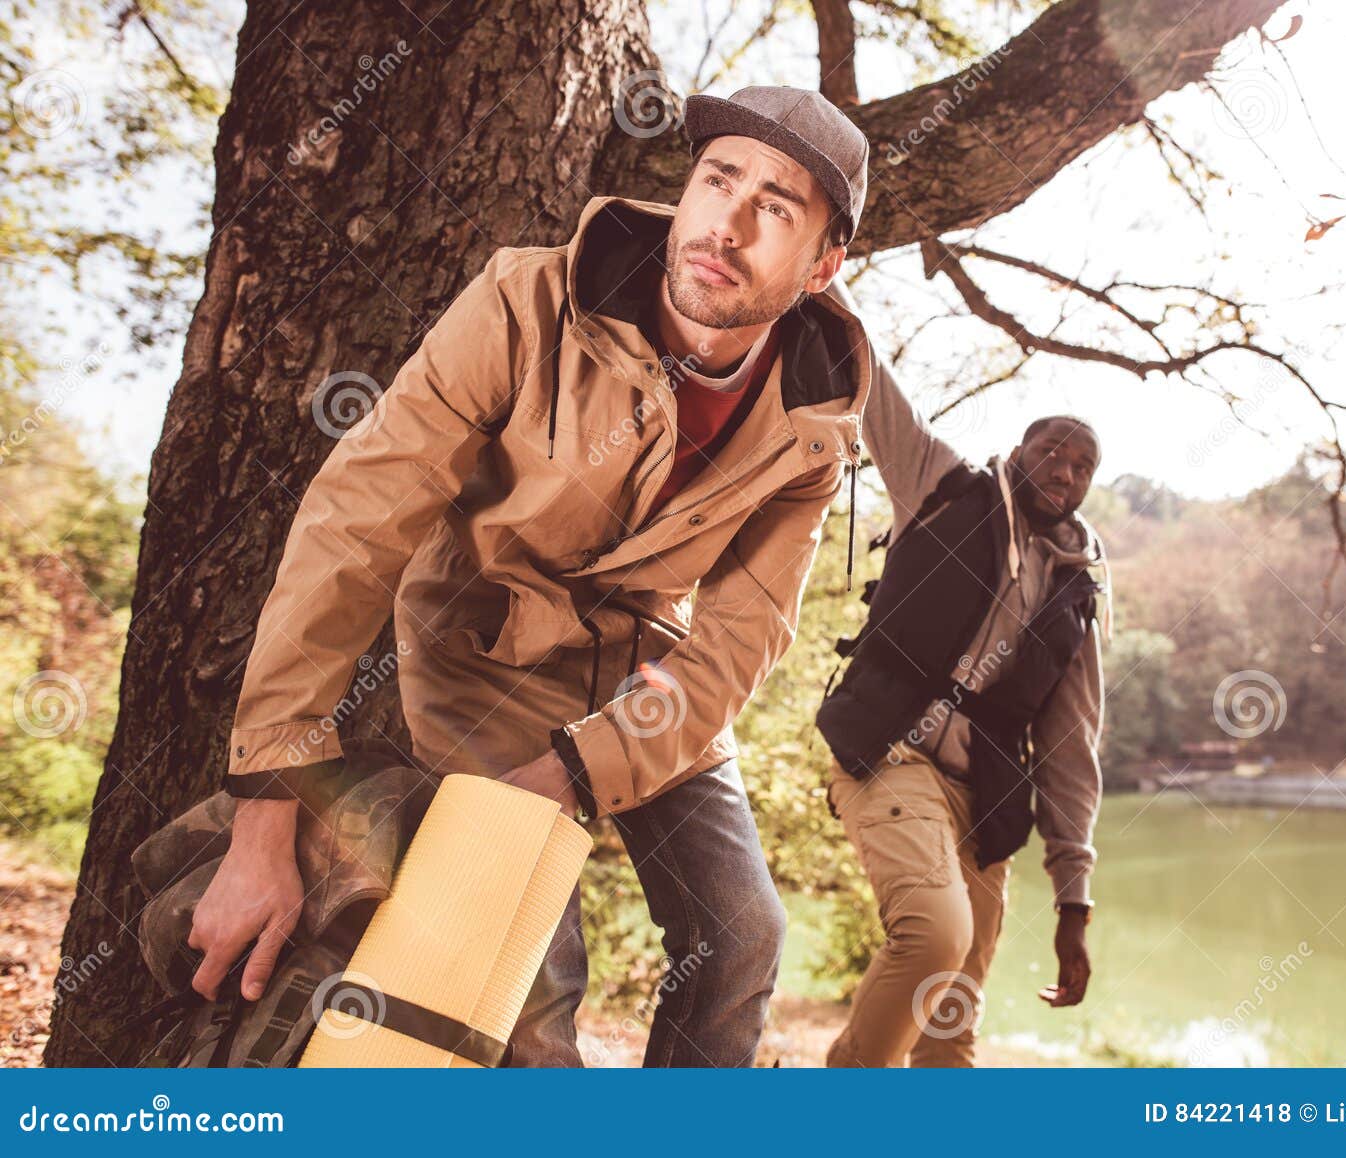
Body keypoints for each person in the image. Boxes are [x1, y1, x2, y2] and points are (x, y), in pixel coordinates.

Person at [188, 85, 873, 1068]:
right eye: (718, 180)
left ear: (822, 264)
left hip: (650, 677)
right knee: (531, 984)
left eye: (776, 208)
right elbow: (356, 527)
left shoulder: (815, 423)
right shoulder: (526, 300)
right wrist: (266, 804)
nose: (727, 225)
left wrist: (581, 768)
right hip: (482, 652)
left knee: (741, 936)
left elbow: (743, 636)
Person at [816, 282, 1112, 1066]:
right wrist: (823, 278)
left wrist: (1073, 901)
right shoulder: (943, 488)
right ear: (1019, 451)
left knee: (951, 1026)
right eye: (1051, 451)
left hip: (985, 800)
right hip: (891, 754)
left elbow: (1071, 750)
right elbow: (878, 389)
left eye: (1082, 465)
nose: (1064, 470)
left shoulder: (1076, 596)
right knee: (933, 937)